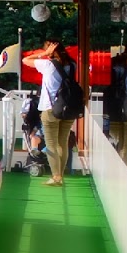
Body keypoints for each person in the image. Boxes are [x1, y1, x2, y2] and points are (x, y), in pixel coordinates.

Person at [30, 37, 78, 186]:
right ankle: (60, 176)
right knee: (62, 143)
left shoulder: (47, 64)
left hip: (50, 109)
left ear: (51, 50)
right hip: (68, 108)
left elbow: (26, 60)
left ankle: (56, 177)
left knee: (51, 144)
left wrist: (44, 53)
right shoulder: (72, 65)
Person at [106, 44, 127, 165]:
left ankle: (119, 163)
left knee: (118, 138)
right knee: (126, 139)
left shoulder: (116, 63)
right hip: (126, 104)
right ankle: (123, 164)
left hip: (115, 104)